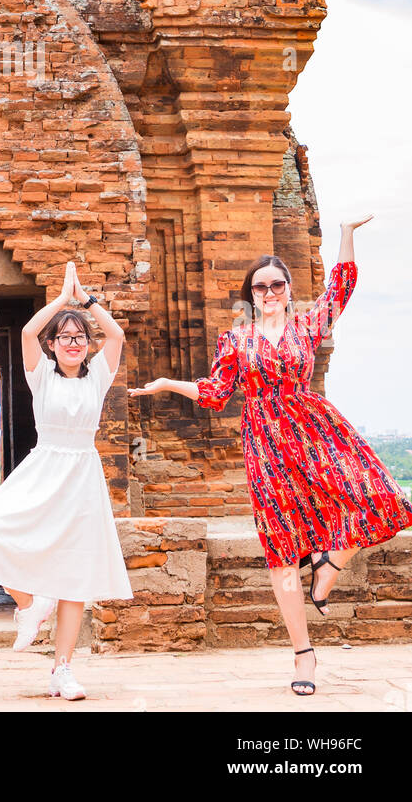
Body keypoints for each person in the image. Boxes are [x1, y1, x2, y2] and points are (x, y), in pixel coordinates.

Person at [129, 216, 412, 696]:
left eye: (277, 284)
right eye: (260, 287)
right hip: (266, 444)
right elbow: (217, 392)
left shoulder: (307, 325)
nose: (269, 292)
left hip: (316, 428)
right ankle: (304, 656)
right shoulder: (235, 340)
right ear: (250, 293)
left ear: (287, 287)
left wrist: (346, 232)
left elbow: (340, 288)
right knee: (281, 550)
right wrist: (166, 384)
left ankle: (327, 569)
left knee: (382, 497)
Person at [0, 261, 132, 700]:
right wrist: (61, 300)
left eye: (79, 337)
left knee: (74, 574)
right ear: (54, 345)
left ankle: (63, 669)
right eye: (65, 337)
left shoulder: (99, 379)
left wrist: (85, 301)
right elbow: (28, 334)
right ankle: (31, 605)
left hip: (82, 476)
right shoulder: (42, 375)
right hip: (44, 466)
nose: (73, 343)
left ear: (88, 345)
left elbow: (118, 336)